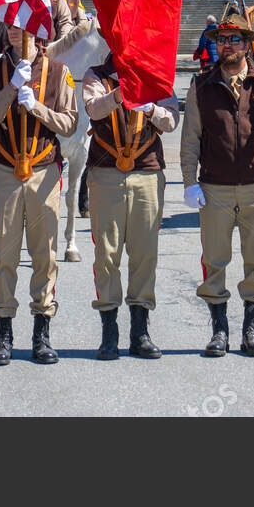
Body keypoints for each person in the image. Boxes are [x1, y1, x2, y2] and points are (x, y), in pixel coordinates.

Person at [180, 13, 254, 357]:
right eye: (222, 40)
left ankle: (251, 328)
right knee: (214, 259)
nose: (227, 46)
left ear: (247, 45)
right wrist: (189, 182)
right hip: (215, 186)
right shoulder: (201, 85)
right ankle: (219, 330)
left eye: (235, 40)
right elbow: (190, 139)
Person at [0, 21, 80, 366]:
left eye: (22, 26)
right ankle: (4, 331)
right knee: (5, 254)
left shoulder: (60, 71)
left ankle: (42, 330)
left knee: (44, 254)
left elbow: (70, 123)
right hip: (5, 169)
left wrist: (35, 106)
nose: (13, 32)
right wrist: (10, 89)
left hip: (43, 170)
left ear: (40, 34)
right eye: (9, 26)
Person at [81, 51, 177, 360]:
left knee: (145, 253)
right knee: (106, 253)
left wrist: (150, 108)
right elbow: (93, 111)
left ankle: (140, 331)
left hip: (147, 171)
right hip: (106, 171)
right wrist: (120, 93)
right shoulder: (97, 74)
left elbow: (172, 118)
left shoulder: (155, 73)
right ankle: (109, 332)